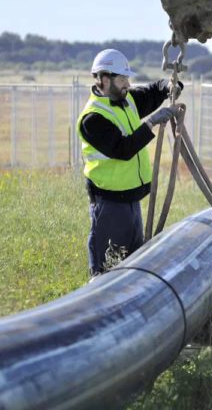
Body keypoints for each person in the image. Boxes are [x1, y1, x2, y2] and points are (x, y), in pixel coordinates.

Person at [77, 49, 182, 277]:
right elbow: (122, 149)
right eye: (122, 78)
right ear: (105, 79)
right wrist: (151, 122)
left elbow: (153, 91)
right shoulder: (92, 118)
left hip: (131, 201)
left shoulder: (128, 100)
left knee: (134, 267)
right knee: (106, 270)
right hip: (110, 204)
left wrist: (169, 86)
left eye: (127, 78)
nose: (128, 83)